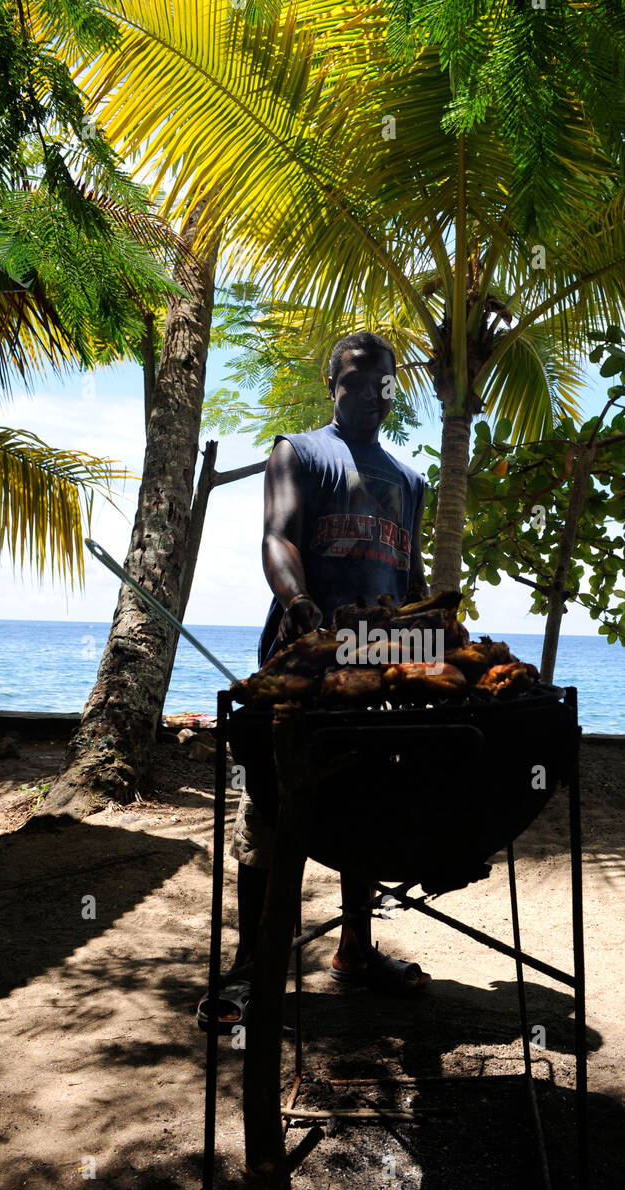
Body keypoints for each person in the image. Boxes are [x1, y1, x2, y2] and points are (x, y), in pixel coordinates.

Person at [198, 330, 431, 1029]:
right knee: (271, 808)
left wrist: (427, 642)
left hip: (375, 666)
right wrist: (298, 602)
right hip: (302, 658)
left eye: (382, 382)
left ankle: (356, 950)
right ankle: (250, 964)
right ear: (333, 384)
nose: (368, 393)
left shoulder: (411, 481)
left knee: (362, 802)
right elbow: (279, 537)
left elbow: (411, 579)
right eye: (355, 380)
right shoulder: (299, 452)